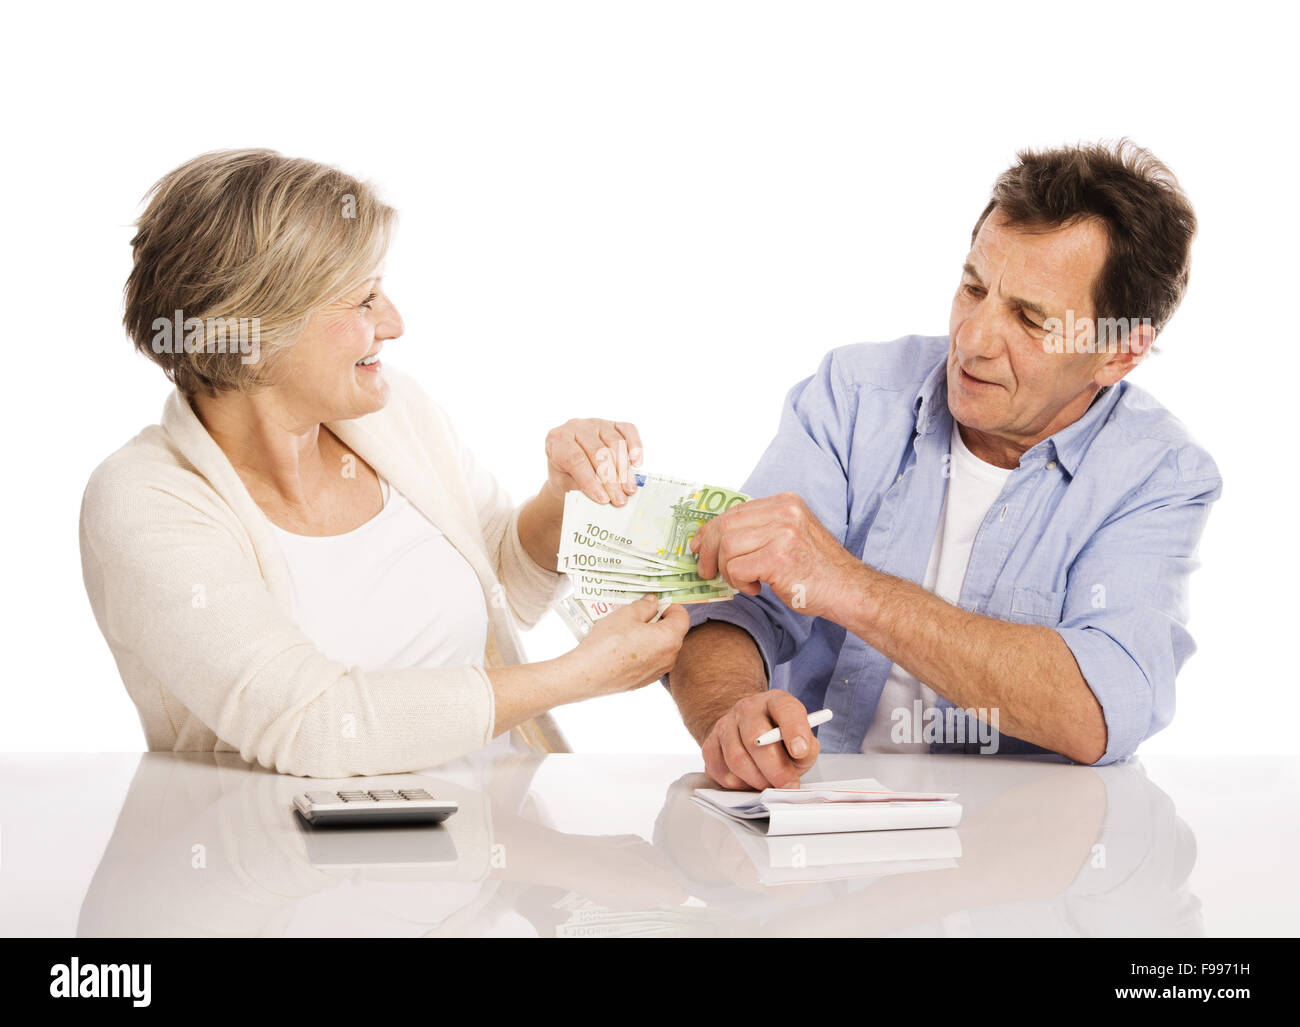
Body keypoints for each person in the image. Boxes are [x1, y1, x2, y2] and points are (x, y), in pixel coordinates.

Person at [80, 149, 688, 778]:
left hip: (500, 849)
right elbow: (311, 725)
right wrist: (580, 676)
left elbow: (500, 583)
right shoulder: (144, 501)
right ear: (252, 337)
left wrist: (564, 500)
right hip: (283, 862)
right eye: (364, 300)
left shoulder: (396, 415)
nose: (394, 323)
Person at [666, 140, 1221, 788]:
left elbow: (1099, 704)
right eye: (974, 287)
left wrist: (845, 583)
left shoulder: (1159, 475)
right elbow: (728, 607)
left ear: (1119, 355)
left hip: (1016, 863)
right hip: (815, 844)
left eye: (1030, 319)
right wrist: (731, 712)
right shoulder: (854, 394)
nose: (974, 338)